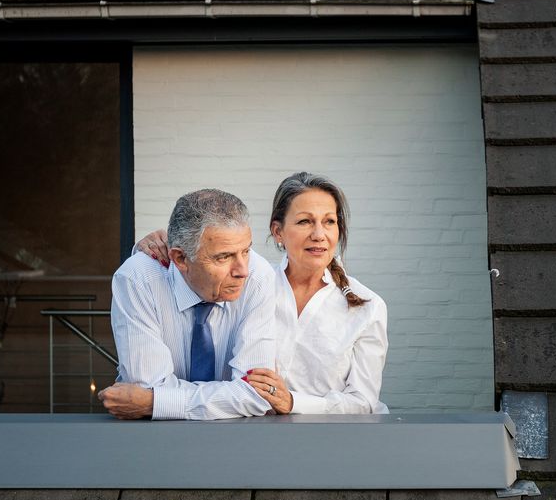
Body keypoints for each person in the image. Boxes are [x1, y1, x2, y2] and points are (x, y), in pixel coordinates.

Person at [136, 172, 389, 414]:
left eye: (329, 222)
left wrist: (293, 402)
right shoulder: (248, 286)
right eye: (305, 221)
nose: (319, 235)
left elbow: (364, 401)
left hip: (330, 437)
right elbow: (199, 264)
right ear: (277, 231)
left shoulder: (368, 306)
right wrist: (147, 251)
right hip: (252, 432)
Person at [99, 188, 278, 420]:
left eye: (246, 251)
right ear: (181, 258)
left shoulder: (258, 276)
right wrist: (230, 399)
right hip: (154, 437)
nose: (242, 270)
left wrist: (154, 403)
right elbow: (147, 384)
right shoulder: (138, 279)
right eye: (223, 257)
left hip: (236, 435)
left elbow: (256, 394)